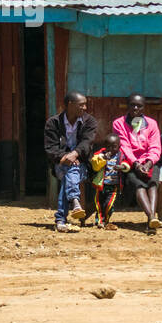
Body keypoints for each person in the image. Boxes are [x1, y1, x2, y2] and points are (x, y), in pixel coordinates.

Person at [43, 91, 97, 232]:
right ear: (70, 104)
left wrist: (74, 154)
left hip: (83, 164)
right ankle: (75, 201)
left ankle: (61, 219)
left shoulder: (89, 121)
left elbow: (87, 143)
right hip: (60, 163)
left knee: (70, 172)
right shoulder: (53, 123)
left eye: (85, 104)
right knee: (71, 169)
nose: (85, 107)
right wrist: (65, 157)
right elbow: (50, 148)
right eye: (81, 105)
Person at [111, 93, 162, 233]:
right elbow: (124, 146)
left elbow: (155, 147)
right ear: (127, 106)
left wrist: (149, 163)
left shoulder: (152, 124)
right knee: (139, 186)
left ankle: (151, 220)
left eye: (139, 106)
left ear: (144, 107)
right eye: (132, 105)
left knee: (152, 184)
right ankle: (152, 217)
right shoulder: (119, 123)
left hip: (149, 162)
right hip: (130, 163)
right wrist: (136, 164)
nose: (135, 108)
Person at [88, 133, 129, 230]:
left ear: (119, 146)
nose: (111, 149)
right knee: (98, 203)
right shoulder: (100, 154)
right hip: (101, 185)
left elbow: (127, 163)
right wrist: (103, 158)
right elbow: (95, 165)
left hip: (113, 186)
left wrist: (122, 167)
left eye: (114, 147)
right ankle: (100, 221)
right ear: (104, 146)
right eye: (108, 147)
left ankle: (105, 219)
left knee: (108, 204)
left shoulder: (121, 155)